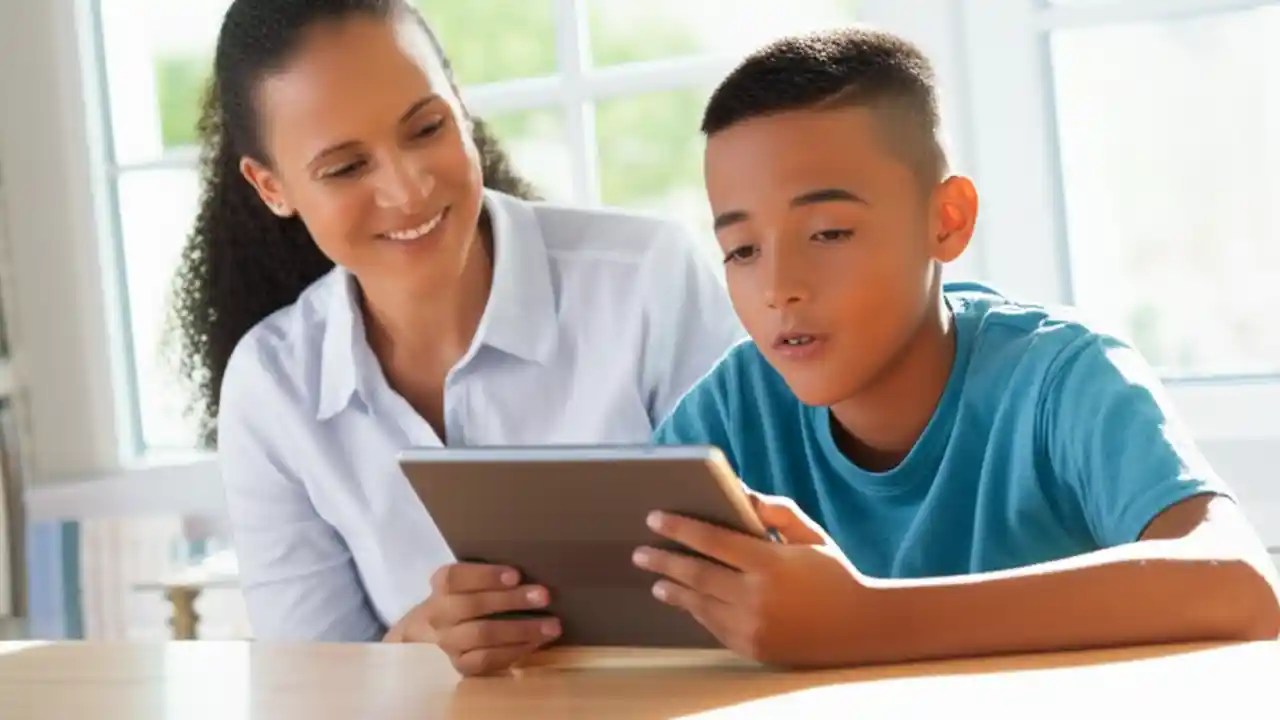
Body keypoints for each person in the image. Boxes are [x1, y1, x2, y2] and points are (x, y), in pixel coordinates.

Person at [634, 27, 1280, 668]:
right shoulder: (734, 407)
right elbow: (609, 578)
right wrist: (538, 618)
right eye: (742, 250)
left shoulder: (1061, 376)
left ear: (945, 220)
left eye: (829, 233)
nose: (779, 289)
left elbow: (1246, 591)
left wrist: (867, 620)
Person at [172, 0, 741, 672]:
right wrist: (415, 647)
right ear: (271, 186)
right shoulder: (271, 389)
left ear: (460, 104)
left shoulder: (647, 282)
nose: (408, 188)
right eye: (346, 168)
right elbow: (312, 686)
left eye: (426, 128)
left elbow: (770, 565)